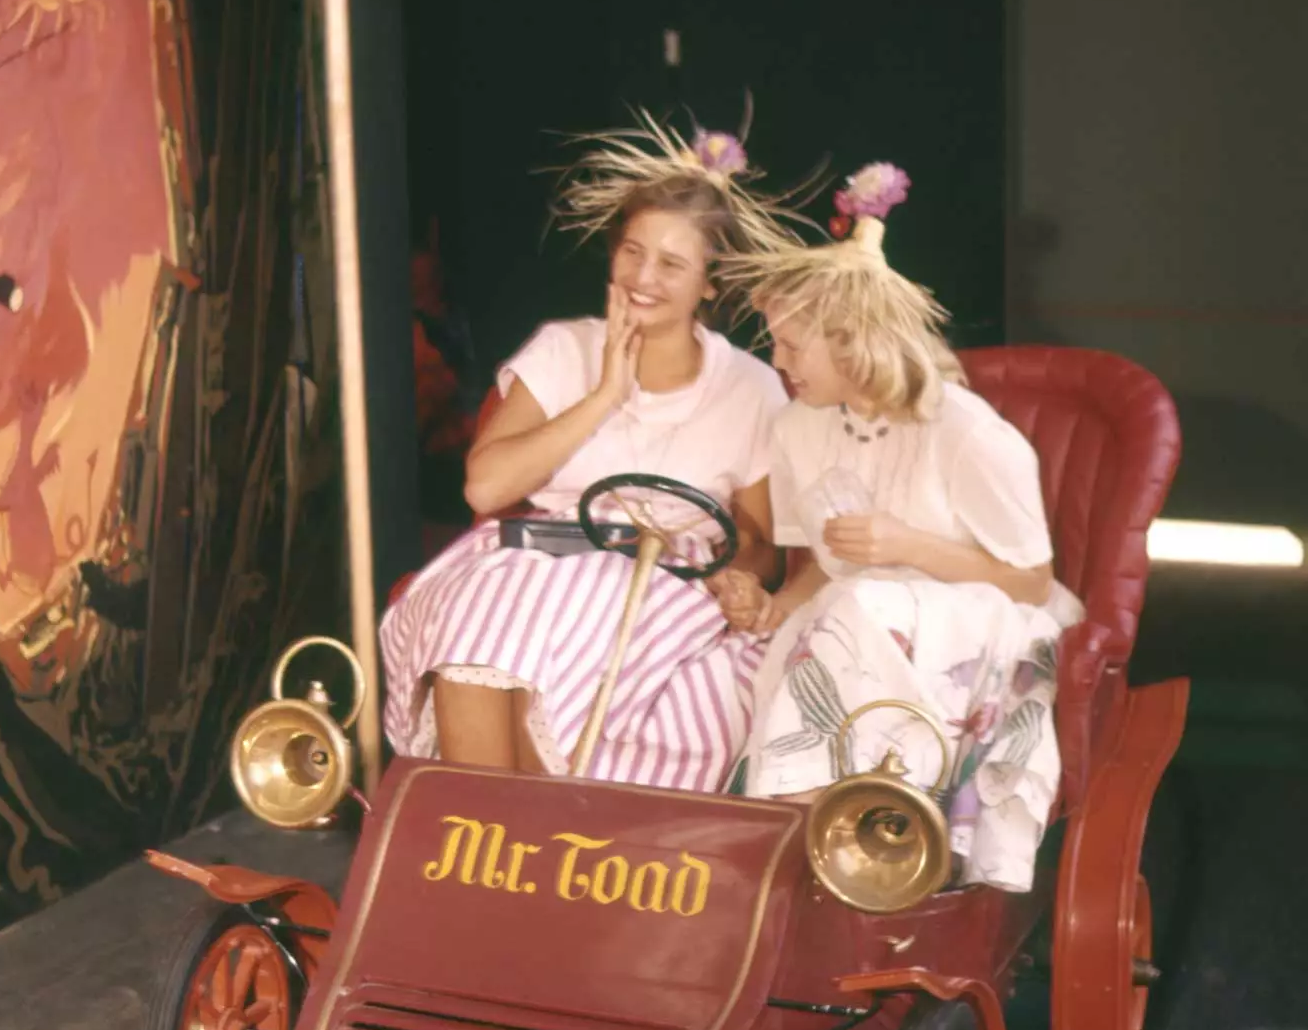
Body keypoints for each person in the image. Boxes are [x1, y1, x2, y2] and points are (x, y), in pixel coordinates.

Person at [380, 115, 803, 792]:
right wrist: (606, 393)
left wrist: (724, 569)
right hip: (540, 558)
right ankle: (482, 851)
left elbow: (764, 547)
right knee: (472, 633)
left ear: (711, 282)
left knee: (561, 648)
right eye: (633, 252)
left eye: (672, 263)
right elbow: (484, 489)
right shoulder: (565, 348)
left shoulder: (751, 386)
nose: (644, 277)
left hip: (666, 578)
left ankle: (550, 854)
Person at [716, 162, 1082, 892]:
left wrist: (909, 546)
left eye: (793, 345)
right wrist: (773, 605)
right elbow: (819, 569)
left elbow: (1032, 580)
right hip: (857, 620)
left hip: (983, 623)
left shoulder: (965, 432)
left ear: (852, 341)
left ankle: (846, 824)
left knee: (856, 610)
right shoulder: (798, 429)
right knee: (793, 636)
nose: (778, 361)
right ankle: (804, 833)